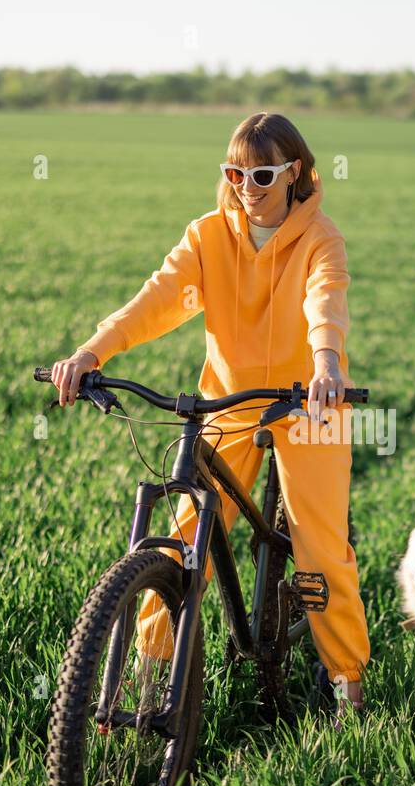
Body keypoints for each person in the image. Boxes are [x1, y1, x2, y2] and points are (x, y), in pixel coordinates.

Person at [48, 112, 368, 722]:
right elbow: (158, 298)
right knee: (183, 534)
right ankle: (148, 678)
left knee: (319, 550)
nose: (249, 186)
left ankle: (347, 684)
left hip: (309, 403)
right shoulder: (207, 237)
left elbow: (324, 299)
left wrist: (327, 363)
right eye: (235, 173)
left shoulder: (320, 238)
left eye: (264, 174)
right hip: (229, 401)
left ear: (294, 172)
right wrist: (92, 352)